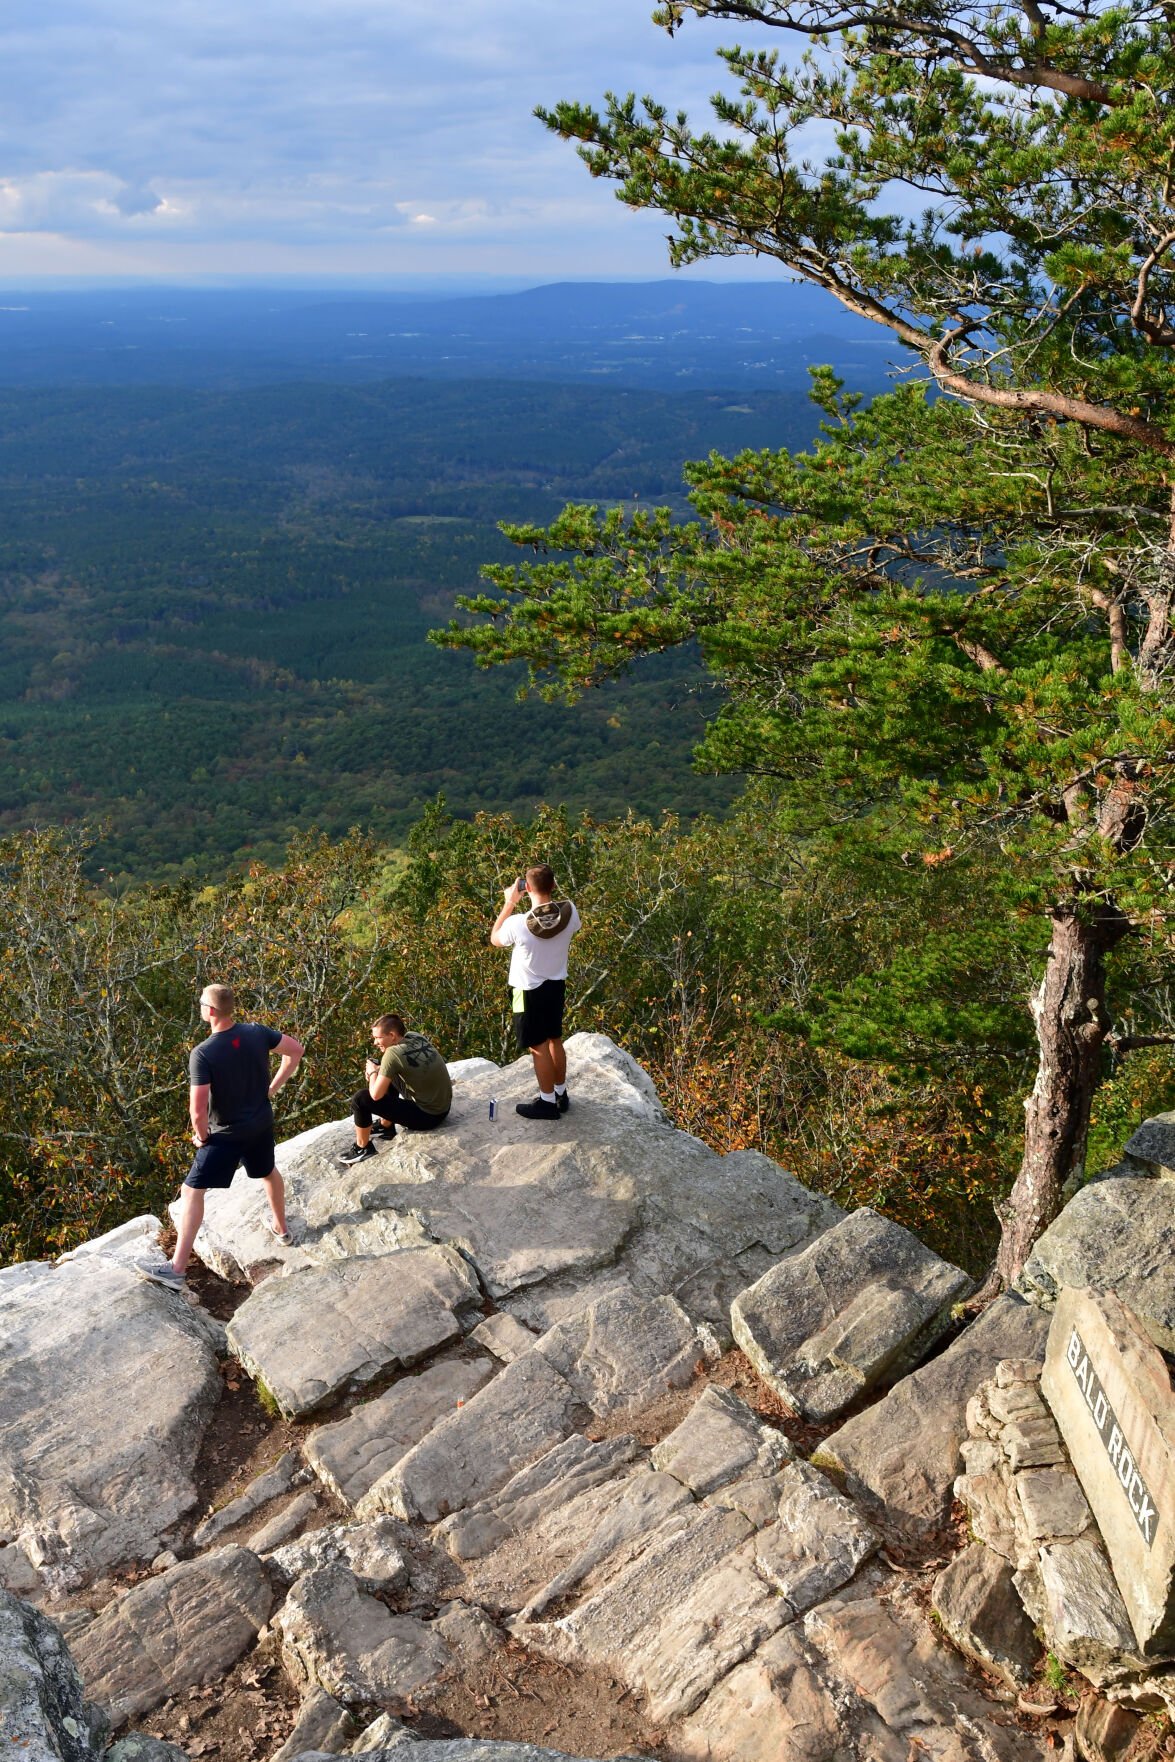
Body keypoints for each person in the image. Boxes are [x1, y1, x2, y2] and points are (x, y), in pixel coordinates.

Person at [138, 983, 303, 1289]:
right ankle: (281, 1229)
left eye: (201, 1003)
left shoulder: (203, 1053)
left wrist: (201, 1136)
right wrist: (271, 1090)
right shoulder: (256, 1033)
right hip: (260, 1123)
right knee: (267, 1172)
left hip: (226, 1133)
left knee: (191, 1192)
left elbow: (198, 1110)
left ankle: (176, 1269)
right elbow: (295, 1051)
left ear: (210, 1011)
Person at [491, 863, 581, 1121]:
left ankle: (546, 1102)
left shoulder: (518, 923)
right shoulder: (569, 910)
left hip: (526, 991)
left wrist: (509, 903)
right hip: (556, 985)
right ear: (553, 885)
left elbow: (495, 938)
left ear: (526, 888)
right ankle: (561, 1095)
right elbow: (571, 927)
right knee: (554, 1038)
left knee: (538, 1047)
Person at [338, 1012, 452, 1165]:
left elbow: (375, 1095)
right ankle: (386, 1127)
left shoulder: (392, 1054)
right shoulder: (414, 1036)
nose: (374, 1043)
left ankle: (362, 1148)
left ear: (391, 1035)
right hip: (442, 1108)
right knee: (386, 1071)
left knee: (360, 1099)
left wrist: (372, 1072)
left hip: (428, 1118)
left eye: (377, 1038)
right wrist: (380, 1069)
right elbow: (402, 1065)